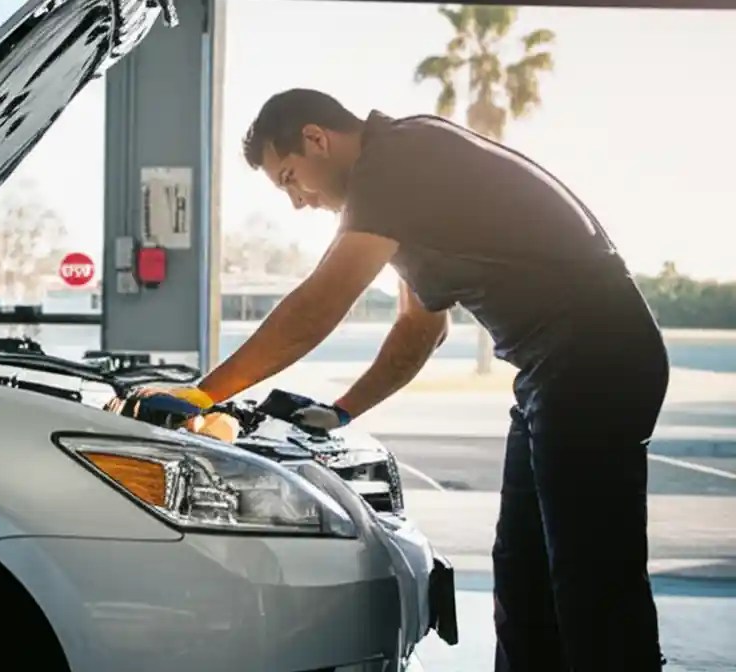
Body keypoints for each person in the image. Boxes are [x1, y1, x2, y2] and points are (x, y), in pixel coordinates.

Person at [129, 89, 670, 671]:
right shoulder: (403, 186)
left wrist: (207, 394)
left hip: (596, 362)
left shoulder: (397, 160)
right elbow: (421, 327)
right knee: (524, 579)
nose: (296, 202)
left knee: (592, 586)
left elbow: (319, 303)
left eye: (290, 178)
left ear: (317, 138)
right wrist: (341, 410)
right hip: (556, 372)